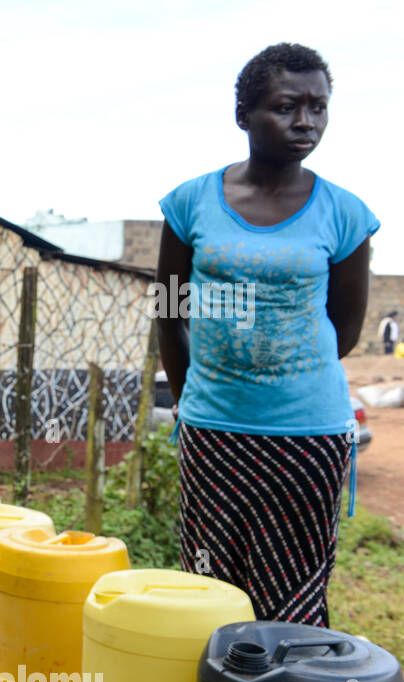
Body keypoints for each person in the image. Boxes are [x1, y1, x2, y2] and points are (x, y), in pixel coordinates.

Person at [155, 43, 378, 626]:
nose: (306, 122)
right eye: (287, 106)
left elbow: (345, 330)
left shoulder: (345, 214)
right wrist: (190, 399)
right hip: (213, 431)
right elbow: (169, 308)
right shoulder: (190, 203)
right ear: (244, 115)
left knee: (292, 599)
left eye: (319, 107)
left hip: (307, 436)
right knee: (207, 591)